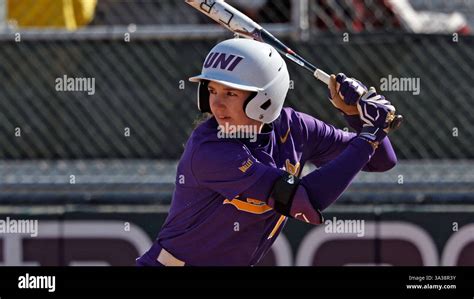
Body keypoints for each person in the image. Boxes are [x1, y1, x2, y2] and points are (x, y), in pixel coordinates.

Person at [136, 38, 398, 266]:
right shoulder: (210, 148)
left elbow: (381, 161)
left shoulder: (296, 128)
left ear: (266, 96)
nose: (216, 104)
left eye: (230, 93)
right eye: (212, 90)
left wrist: (355, 116)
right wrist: (370, 134)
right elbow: (306, 202)